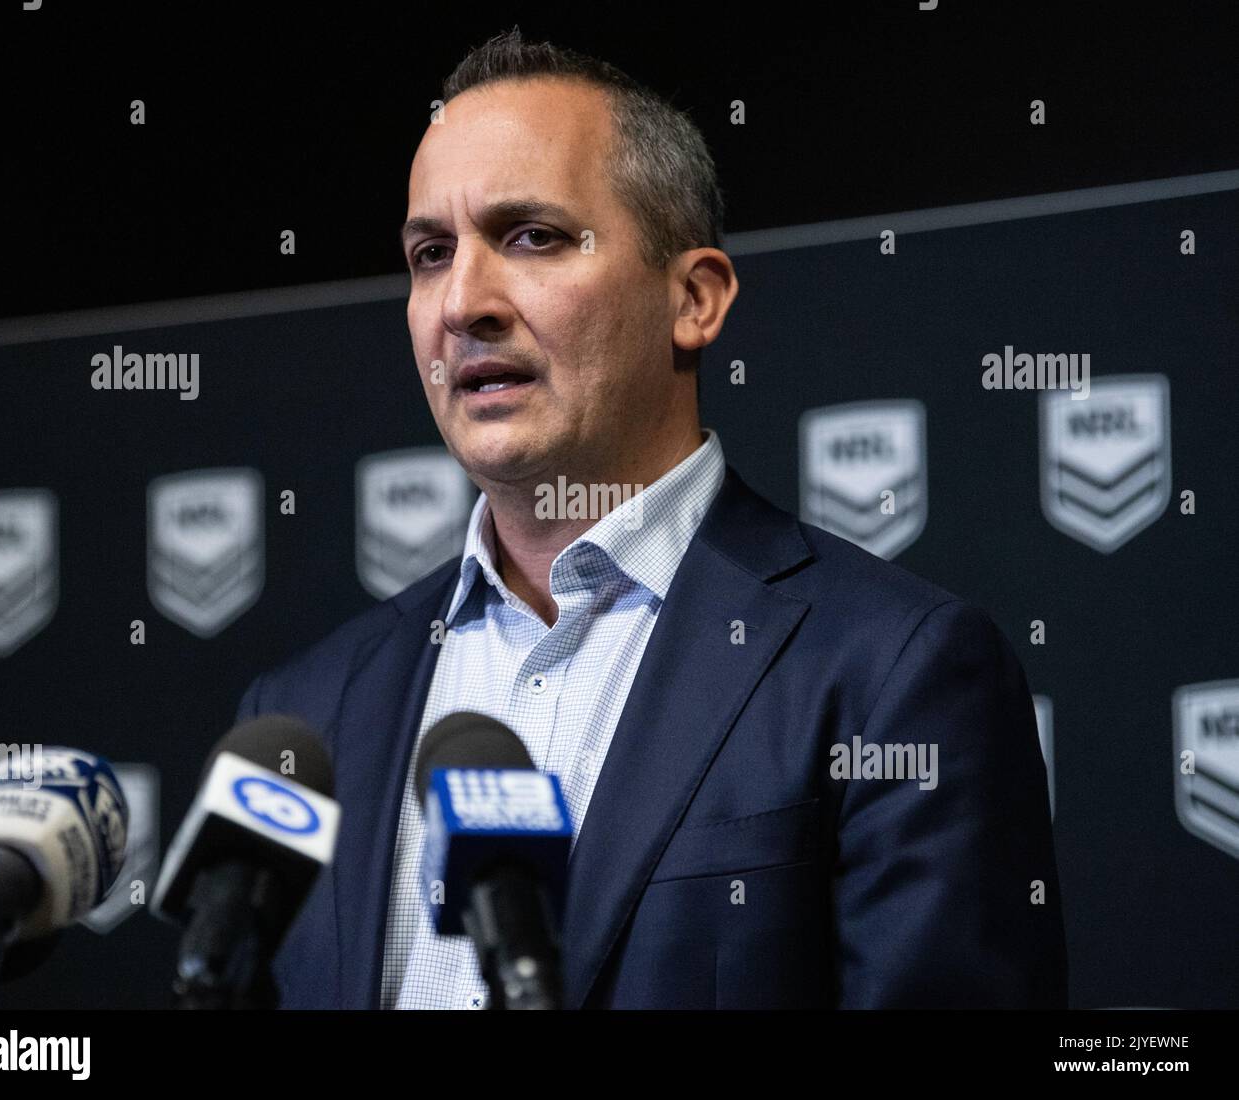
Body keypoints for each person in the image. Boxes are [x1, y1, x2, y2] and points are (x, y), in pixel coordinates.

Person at [236, 28, 1067, 1009]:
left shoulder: (895, 671)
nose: (461, 303)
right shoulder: (303, 711)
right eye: (429, 253)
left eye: (532, 236)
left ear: (694, 297)